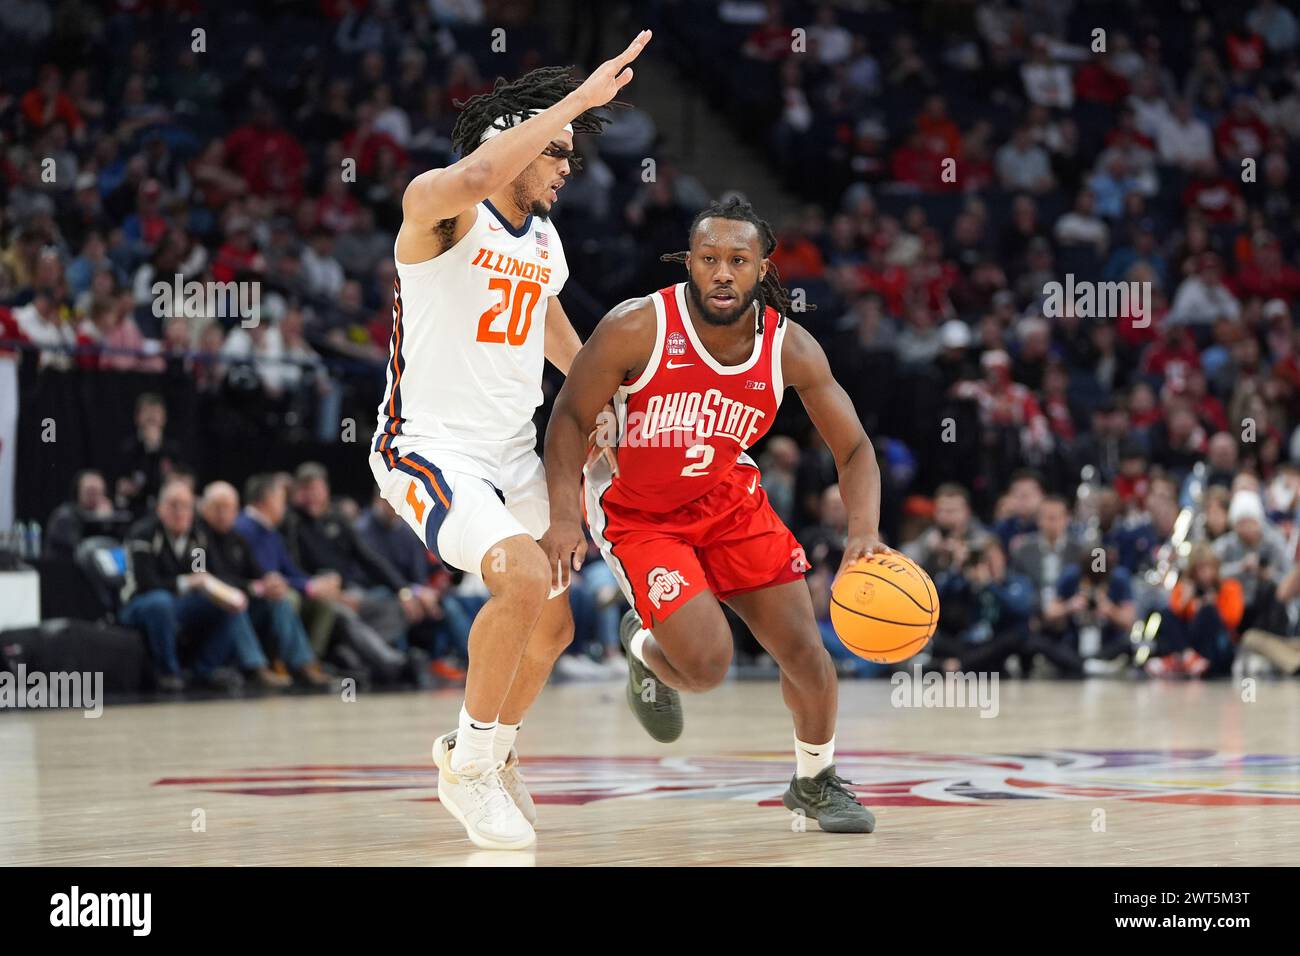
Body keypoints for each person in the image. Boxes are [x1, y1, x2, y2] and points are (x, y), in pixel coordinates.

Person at [365, 33, 652, 851]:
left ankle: (486, 750)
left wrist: (616, 400)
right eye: (556, 149)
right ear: (512, 143)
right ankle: (470, 770)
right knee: (521, 575)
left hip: (508, 456)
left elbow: (562, 338)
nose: (567, 163)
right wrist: (579, 99)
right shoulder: (438, 207)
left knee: (555, 625)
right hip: (427, 450)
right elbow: (483, 174)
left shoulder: (543, 241)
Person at [542, 197, 883, 834]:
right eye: (708, 259)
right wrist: (564, 515)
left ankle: (815, 780)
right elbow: (566, 417)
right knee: (707, 667)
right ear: (690, 264)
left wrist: (863, 531)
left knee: (807, 655)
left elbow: (857, 447)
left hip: (729, 501)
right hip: (638, 514)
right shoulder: (636, 326)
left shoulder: (791, 350)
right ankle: (645, 648)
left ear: (762, 270)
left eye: (737, 260)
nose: (722, 273)